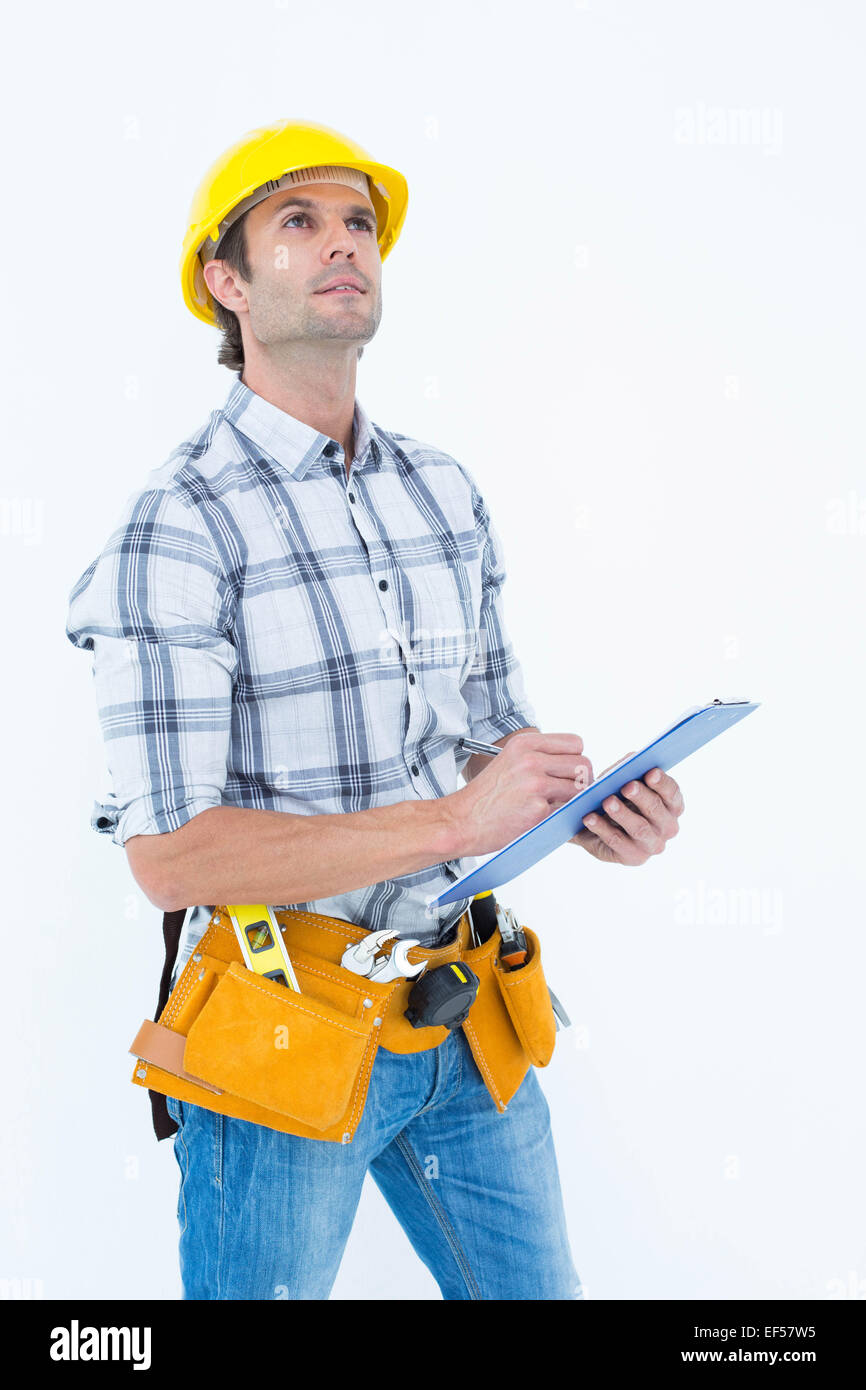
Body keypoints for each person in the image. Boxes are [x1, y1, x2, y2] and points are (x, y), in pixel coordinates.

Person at [66, 118, 684, 1300]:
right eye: (297, 221)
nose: (343, 242)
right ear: (225, 281)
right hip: (282, 1027)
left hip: (462, 1012)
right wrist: (454, 822)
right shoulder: (176, 527)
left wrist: (591, 805)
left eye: (359, 222)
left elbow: (490, 735)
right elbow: (172, 854)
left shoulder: (441, 491)